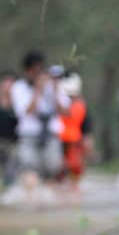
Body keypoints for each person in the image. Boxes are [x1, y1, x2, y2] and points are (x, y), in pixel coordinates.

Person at [9, 50, 70, 187]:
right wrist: (37, 90)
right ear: (27, 71)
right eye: (34, 70)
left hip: (51, 134)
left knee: (53, 167)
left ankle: (48, 199)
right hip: (29, 134)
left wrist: (54, 91)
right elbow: (26, 112)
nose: (38, 74)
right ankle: (32, 201)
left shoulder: (53, 85)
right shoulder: (19, 87)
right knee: (29, 168)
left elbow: (65, 112)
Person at [58, 72, 93, 193]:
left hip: (74, 143)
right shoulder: (58, 102)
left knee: (75, 169)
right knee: (59, 171)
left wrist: (87, 146)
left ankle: (73, 193)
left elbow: (86, 128)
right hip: (60, 141)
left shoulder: (81, 105)